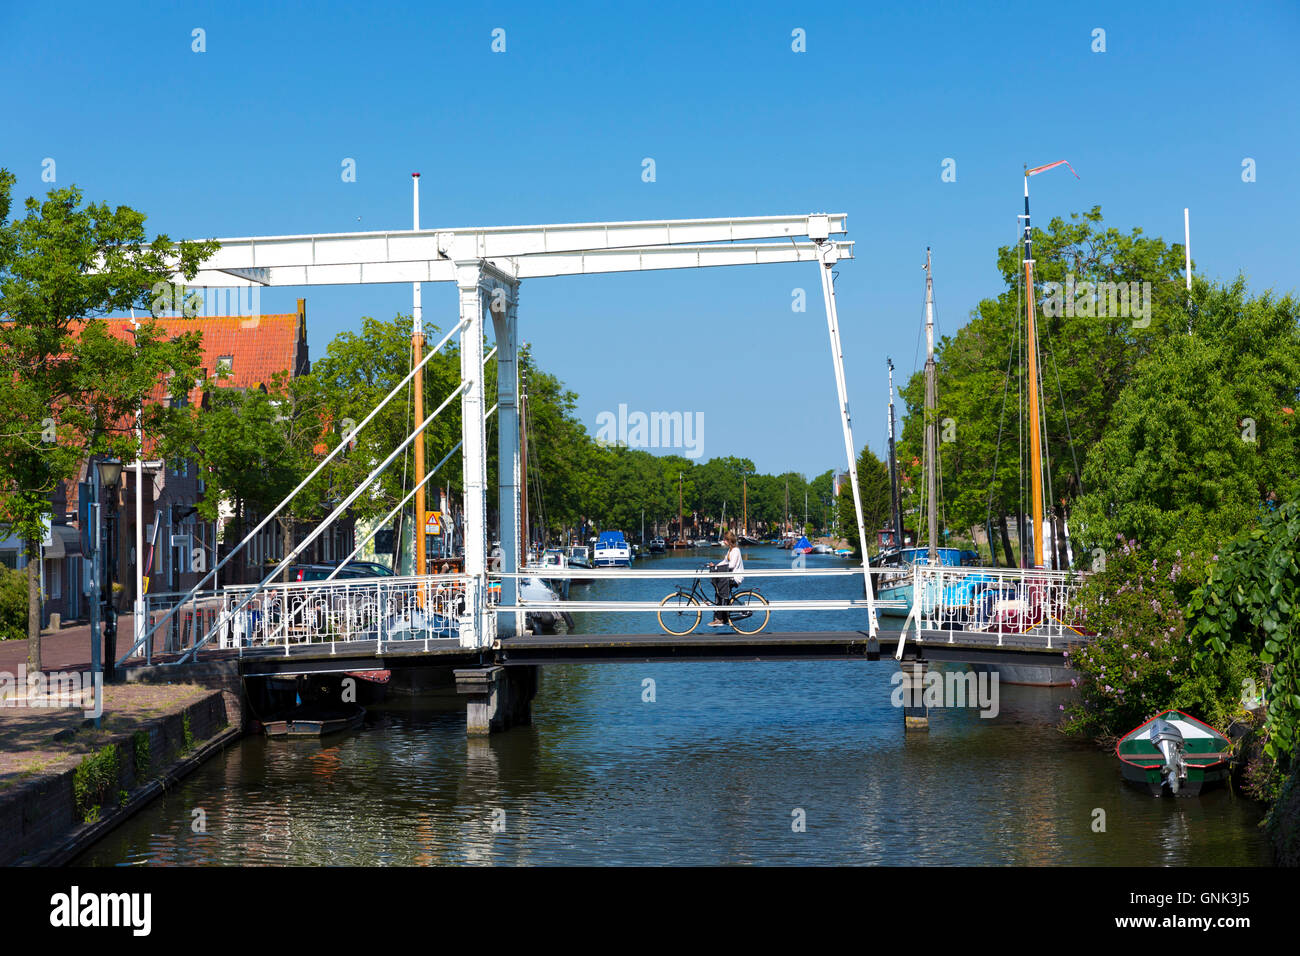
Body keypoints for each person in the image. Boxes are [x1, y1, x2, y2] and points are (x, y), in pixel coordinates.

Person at [707, 530, 744, 627]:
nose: (723, 541)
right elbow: (724, 562)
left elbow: (731, 565)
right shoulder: (730, 550)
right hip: (729, 576)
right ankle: (721, 617)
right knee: (719, 591)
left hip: (735, 577)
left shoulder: (736, 551)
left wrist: (718, 568)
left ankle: (720, 618)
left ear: (729, 540)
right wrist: (715, 566)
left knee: (722, 592)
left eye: (725, 539)